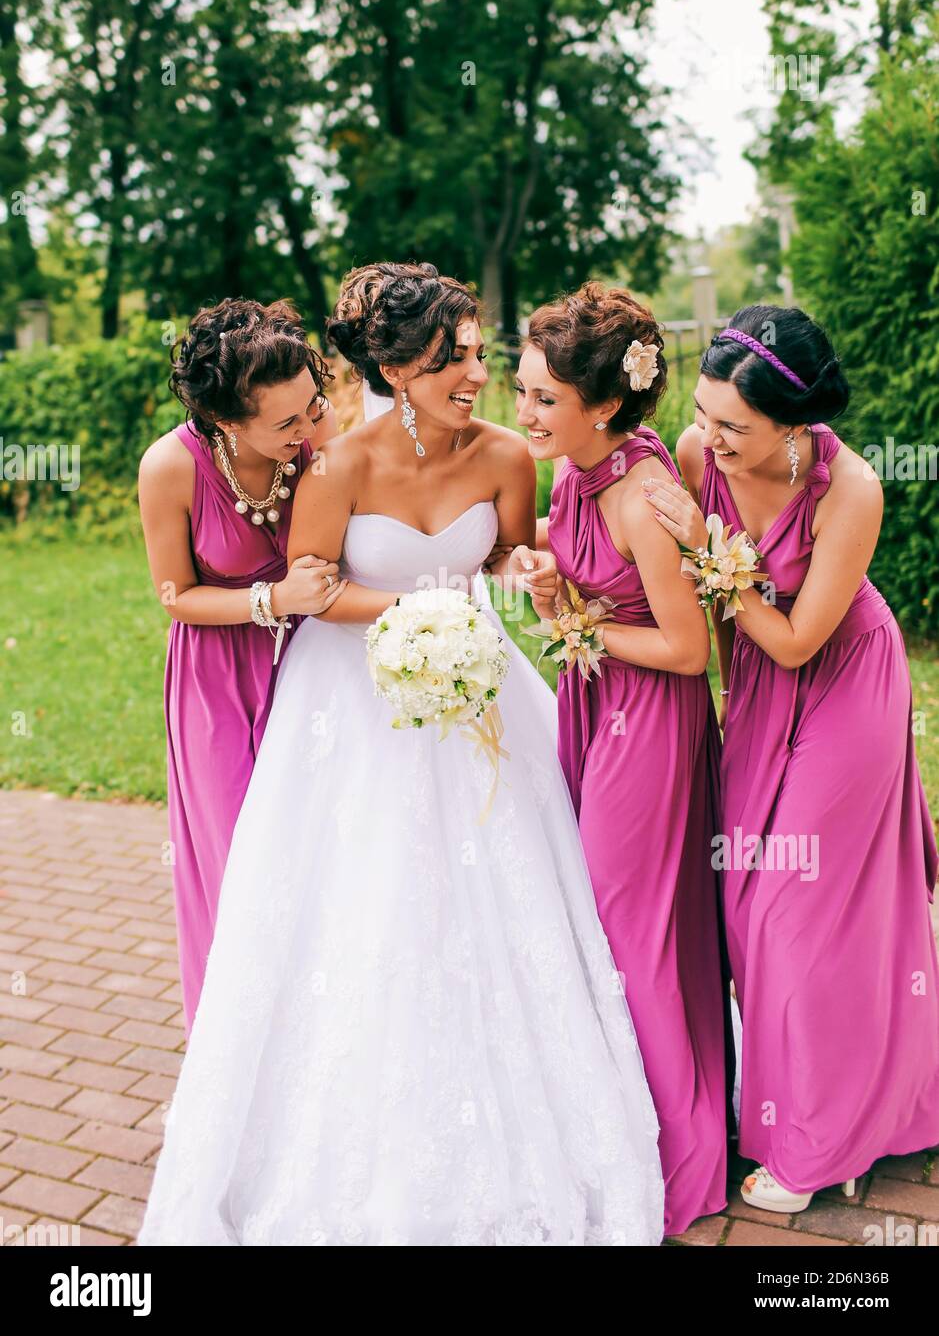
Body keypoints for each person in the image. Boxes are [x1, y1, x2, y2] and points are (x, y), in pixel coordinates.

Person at [136, 263, 665, 1246]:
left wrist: (529, 569)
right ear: (395, 367)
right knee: (362, 903)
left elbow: (510, 555)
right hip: (350, 703)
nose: (477, 370)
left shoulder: (510, 455)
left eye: (475, 349)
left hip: (479, 693)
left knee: (512, 898)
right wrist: (422, 615)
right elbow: (316, 588)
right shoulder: (332, 467)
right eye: (451, 358)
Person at [645, 304, 939, 1213]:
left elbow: (799, 638)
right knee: (745, 904)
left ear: (794, 421)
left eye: (733, 426)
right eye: (702, 416)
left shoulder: (850, 487)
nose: (709, 439)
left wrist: (702, 550)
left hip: (843, 677)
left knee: (793, 912)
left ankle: (817, 1146)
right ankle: (832, 1103)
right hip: (763, 694)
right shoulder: (700, 458)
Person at [514, 282, 729, 1236]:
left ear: (603, 404)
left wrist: (585, 627)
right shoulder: (577, 468)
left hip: (648, 720)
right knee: (603, 926)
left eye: (541, 400)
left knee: (624, 933)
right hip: (596, 702)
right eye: (520, 392)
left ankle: (672, 1157)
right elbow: (579, 589)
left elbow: (689, 650)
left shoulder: (645, 496)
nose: (522, 414)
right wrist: (548, 581)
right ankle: (610, 1128)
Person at [138, 298, 342, 1036]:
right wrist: (273, 598)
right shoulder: (170, 468)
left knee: (314, 853)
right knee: (238, 867)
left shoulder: (320, 445)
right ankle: (239, 1041)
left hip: (313, 671)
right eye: (285, 424)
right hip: (217, 680)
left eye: (312, 408)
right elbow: (176, 596)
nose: (307, 432)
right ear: (227, 422)